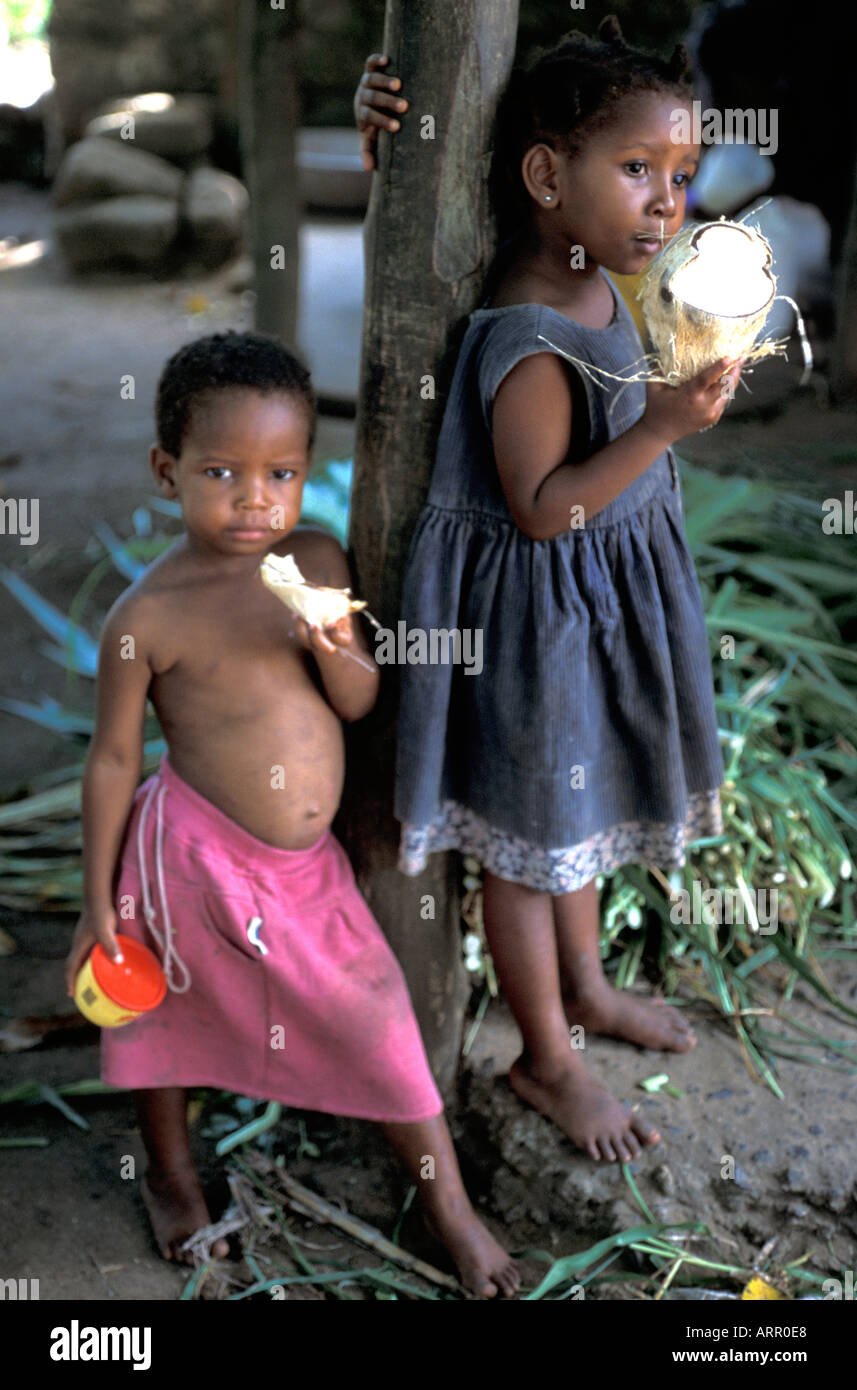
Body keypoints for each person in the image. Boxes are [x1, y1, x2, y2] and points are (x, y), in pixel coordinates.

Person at [355, 19, 743, 1163]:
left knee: (559, 830)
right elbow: (538, 506)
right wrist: (664, 424)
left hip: (581, 611)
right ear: (543, 176)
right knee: (525, 854)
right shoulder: (527, 329)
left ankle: (583, 986)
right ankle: (545, 1057)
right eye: (636, 171)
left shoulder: (588, 272)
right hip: (533, 627)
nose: (666, 201)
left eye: (678, 175)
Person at [63, 331, 519, 1299]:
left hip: (303, 873)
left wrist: (332, 634)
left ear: (305, 472)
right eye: (220, 471)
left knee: (380, 1020)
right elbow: (111, 760)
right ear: (166, 471)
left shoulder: (313, 558)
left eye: (280, 472)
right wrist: (95, 898)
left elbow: (357, 702)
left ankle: (451, 1212)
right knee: (159, 1019)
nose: (253, 497)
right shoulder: (146, 616)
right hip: (186, 857)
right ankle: (173, 1175)